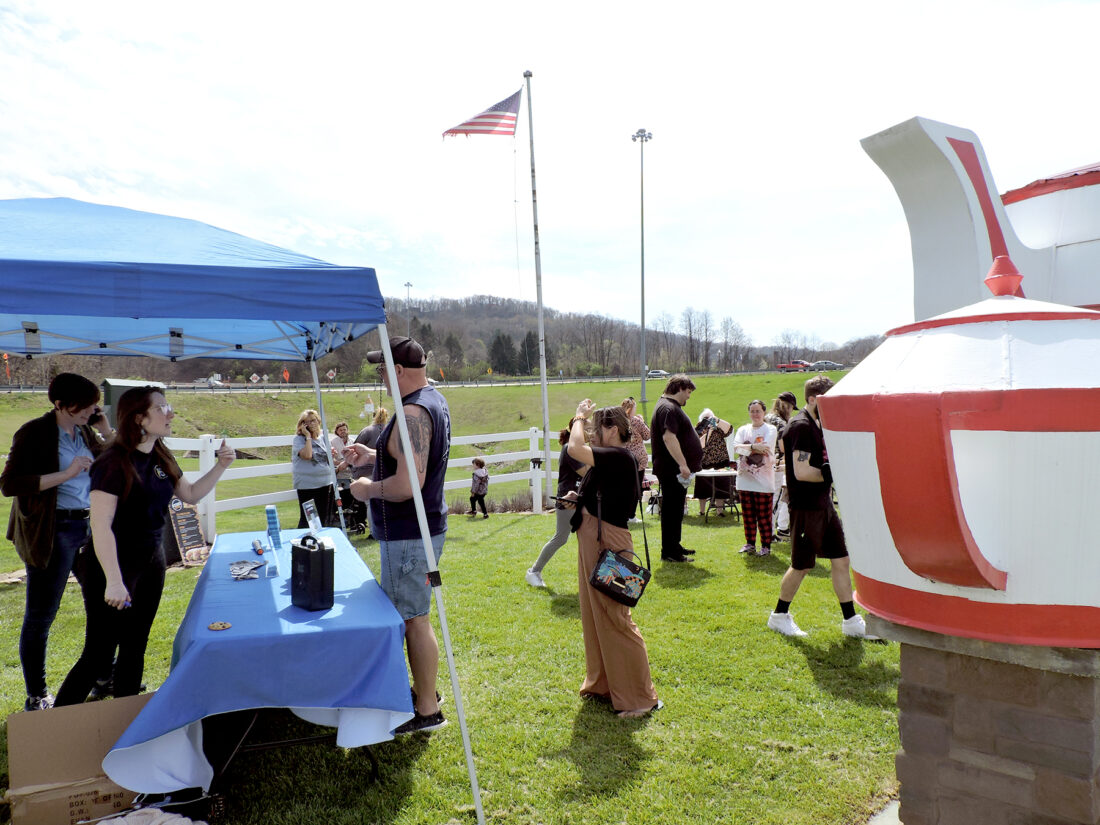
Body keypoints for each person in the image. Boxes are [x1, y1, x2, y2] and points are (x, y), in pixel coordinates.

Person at [55, 387, 236, 705]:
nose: (171, 414)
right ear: (139, 417)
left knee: (136, 643)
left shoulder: (160, 454)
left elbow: (190, 494)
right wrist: (113, 580)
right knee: (98, 654)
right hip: (111, 566)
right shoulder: (112, 462)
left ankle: (125, 721)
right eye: (163, 407)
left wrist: (220, 466)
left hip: (151, 561)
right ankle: (53, 729)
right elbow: (100, 525)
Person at [345, 336, 450, 734]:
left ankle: (426, 710)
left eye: (382, 368)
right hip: (418, 531)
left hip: (408, 533)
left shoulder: (412, 413)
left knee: (413, 620)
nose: (380, 376)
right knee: (415, 617)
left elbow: (409, 484)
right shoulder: (432, 400)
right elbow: (411, 458)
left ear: (399, 371)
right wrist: (373, 456)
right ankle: (427, 693)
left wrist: (367, 488)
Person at [1, 373, 110, 711]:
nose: (93, 408)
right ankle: (37, 695)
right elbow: (10, 484)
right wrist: (66, 474)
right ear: (61, 404)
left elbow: (111, 460)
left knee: (103, 606)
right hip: (53, 532)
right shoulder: (35, 433)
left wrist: (105, 429)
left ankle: (105, 675)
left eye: (95, 404)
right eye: (87, 404)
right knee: (41, 616)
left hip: (87, 528)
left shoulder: (84, 431)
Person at [564, 399, 660, 719]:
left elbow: (574, 449)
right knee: (595, 615)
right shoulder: (610, 460)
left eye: (596, 428)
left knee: (616, 617)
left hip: (609, 543)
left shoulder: (620, 455)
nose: (590, 433)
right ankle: (603, 684)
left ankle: (641, 698)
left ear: (614, 430)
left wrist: (579, 416)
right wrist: (578, 500)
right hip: (593, 537)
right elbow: (599, 491)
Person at [766, 375, 877, 639]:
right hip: (806, 507)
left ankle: (850, 620)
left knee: (841, 559)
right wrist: (833, 473)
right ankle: (779, 616)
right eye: (829, 399)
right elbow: (802, 471)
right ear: (814, 399)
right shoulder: (802, 426)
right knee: (802, 565)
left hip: (823, 504)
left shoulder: (817, 423)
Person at [525, 426, 588, 588]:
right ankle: (534, 572)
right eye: (587, 428)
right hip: (569, 500)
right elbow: (587, 472)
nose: (591, 431)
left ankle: (594, 578)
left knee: (588, 537)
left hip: (580, 499)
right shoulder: (570, 449)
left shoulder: (581, 450)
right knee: (560, 537)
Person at [648, 374, 702, 562]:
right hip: (672, 469)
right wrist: (683, 464)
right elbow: (668, 438)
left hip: (673, 470)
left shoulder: (668, 406)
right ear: (679, 388)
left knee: (676, 508)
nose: (689, 396)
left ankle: (674, 545)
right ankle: (670, 551)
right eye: (688, 392)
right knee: (672, 510)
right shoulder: (668, 408)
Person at [733, 400, 778, 555]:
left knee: (764, 516)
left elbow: (765, 448)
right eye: (752, 411)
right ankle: (750, 543)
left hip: (764, 481)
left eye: (758, 411)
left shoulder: (770, 429)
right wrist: (753, 447)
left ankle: (766, 545)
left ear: (764, 412)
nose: (755, 414)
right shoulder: (743, 429)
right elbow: (737, 448)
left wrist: (747, 449)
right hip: (744, 480)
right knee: (748, 515)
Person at [291, 409, 335, 529]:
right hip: (307, 485)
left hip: (325, 483)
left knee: (323, 517)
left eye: (313, 420)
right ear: (302, 424)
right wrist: (308, 437)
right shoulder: (299, 440)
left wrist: (332, 455)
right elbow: (307, 455)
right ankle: (302, 542)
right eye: (307, 421)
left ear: (318, 421)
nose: (311, 424)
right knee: (308, 519)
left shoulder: (323, 438)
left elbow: (328, 459)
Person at [766, 391, 799, 539]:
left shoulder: (767, 417)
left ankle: (775, 529)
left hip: (764, 463)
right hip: (778, 464)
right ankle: (771, 531)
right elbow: (784, 447)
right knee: (778, 498)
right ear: (788, 406)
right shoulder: (781, 423)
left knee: (772, 497)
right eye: (792, 407)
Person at [692, 408, 734, 516]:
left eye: (710, 418)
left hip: (721, 460)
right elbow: (698, 442)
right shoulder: (699, 428)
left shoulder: (718, 427)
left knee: (721, 485)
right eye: (706, 419)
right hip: (705, 461)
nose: (708, 421)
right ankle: (702, 510)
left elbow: (729, 430)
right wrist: (708, 431)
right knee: (702, 487)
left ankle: (719, 510)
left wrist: (717, 421)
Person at [620, 397, 650, 495]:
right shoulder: (636, 420)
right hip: (638, 457)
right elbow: (647, 435)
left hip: (623, 457)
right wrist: (643, 421)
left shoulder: (619, 421)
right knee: (637, 484)